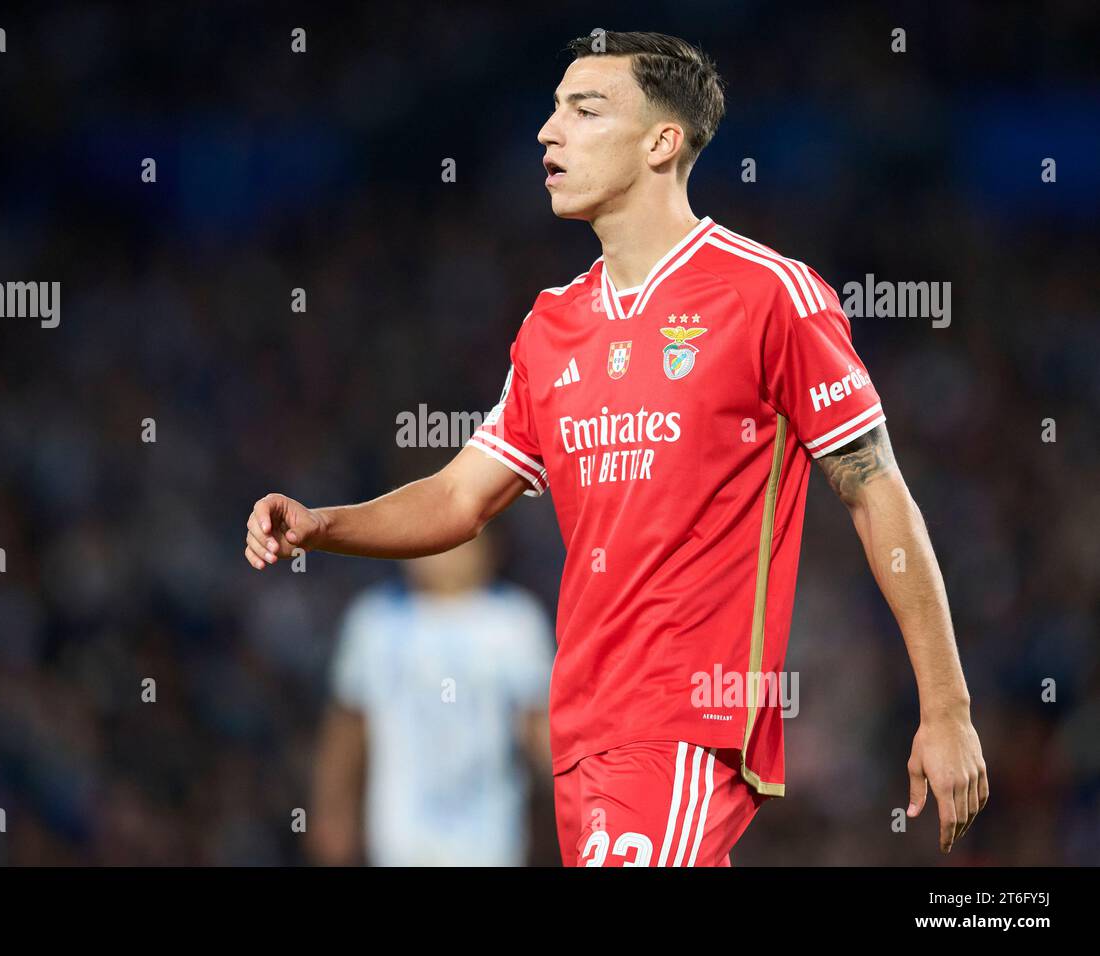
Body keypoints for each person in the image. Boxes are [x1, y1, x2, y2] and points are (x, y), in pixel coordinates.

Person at [247, 30, 988, 866]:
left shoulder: (768, 295)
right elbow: (458, 498)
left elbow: (873, 486)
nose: (548, 131)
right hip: (582, 733)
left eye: (584, 109)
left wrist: (947, 707)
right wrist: (320, 524)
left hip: (683, 724)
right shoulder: (551, 326)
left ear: (662, 143)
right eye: (553, 108)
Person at [308, 531, 553, 866]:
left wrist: (575, 799)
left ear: (490, 548)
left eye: (461, 542)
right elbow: (348, 726)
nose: (446, 555)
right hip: (400, 836)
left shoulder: (514, 623)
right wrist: (332, 808)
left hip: (490, 835)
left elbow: (540, 726)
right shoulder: (376, 622)